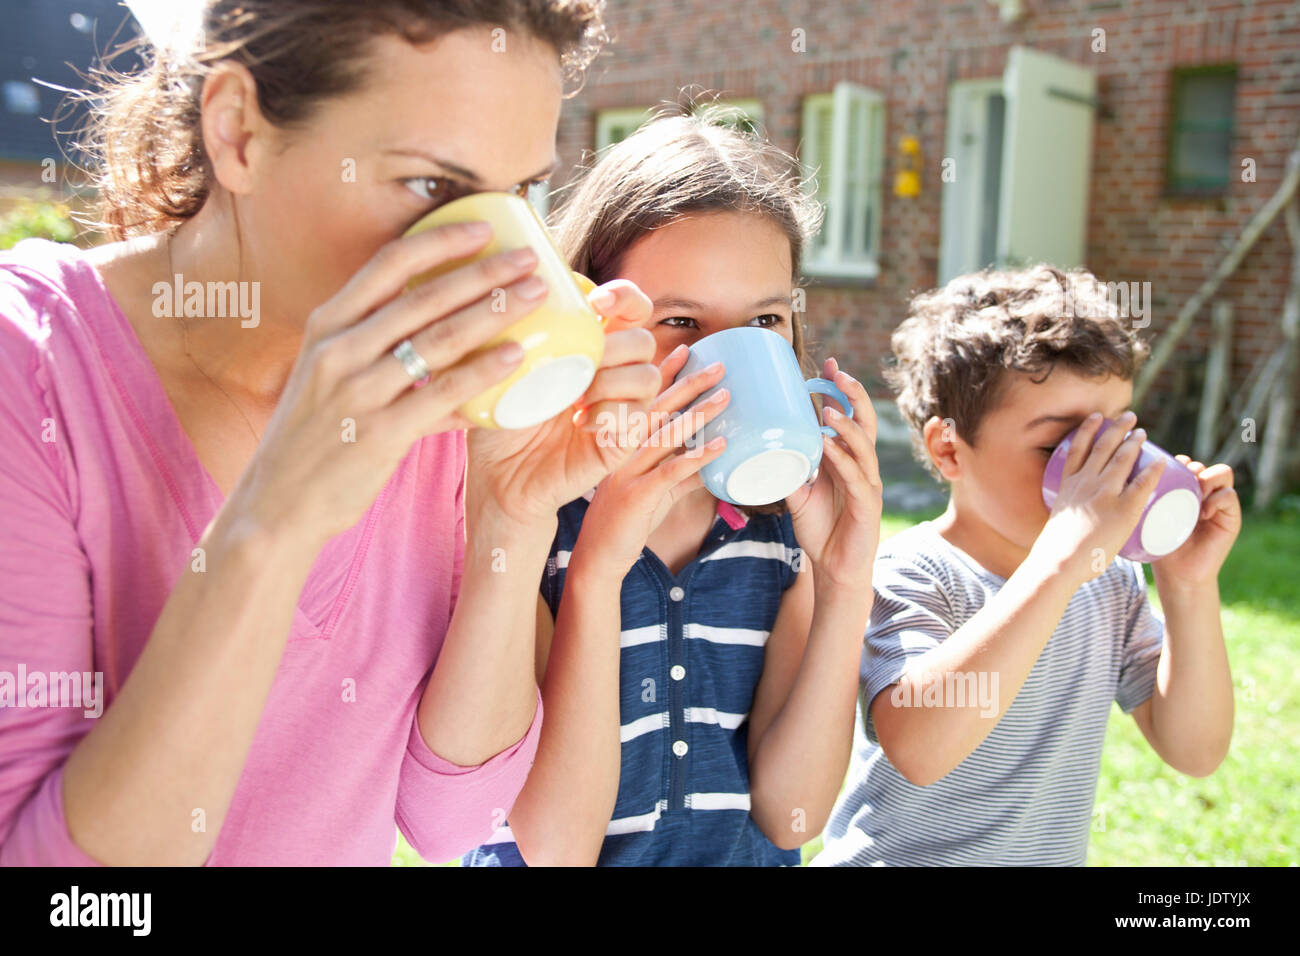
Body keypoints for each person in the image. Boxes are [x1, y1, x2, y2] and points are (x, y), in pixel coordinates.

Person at [0, 0, 662, 866]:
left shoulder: (429, 396)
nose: (492, 269)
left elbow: (448, 820)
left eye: (514, 195)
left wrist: (509, 515)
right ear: (238, 132)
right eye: (431, 186)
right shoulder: (33, 367)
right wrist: (275, 518)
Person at [464, 108, 883, 866]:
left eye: (764, 320)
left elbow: (793, 817)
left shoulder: (785, 535)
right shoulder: (529, 523)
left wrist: (844, 582)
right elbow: (555, 846)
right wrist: (598, 570)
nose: (722, 363)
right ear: (596, 315)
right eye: (682, 321)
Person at [814, 265, 1239, 866]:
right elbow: (920, 748)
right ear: (948, 448)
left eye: (1116, 438)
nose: (1102, 471)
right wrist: (1060, 562)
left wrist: (1188, 585)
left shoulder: (1110, 581)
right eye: (1059, 447)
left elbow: (1195, 751)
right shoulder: (915, 572)